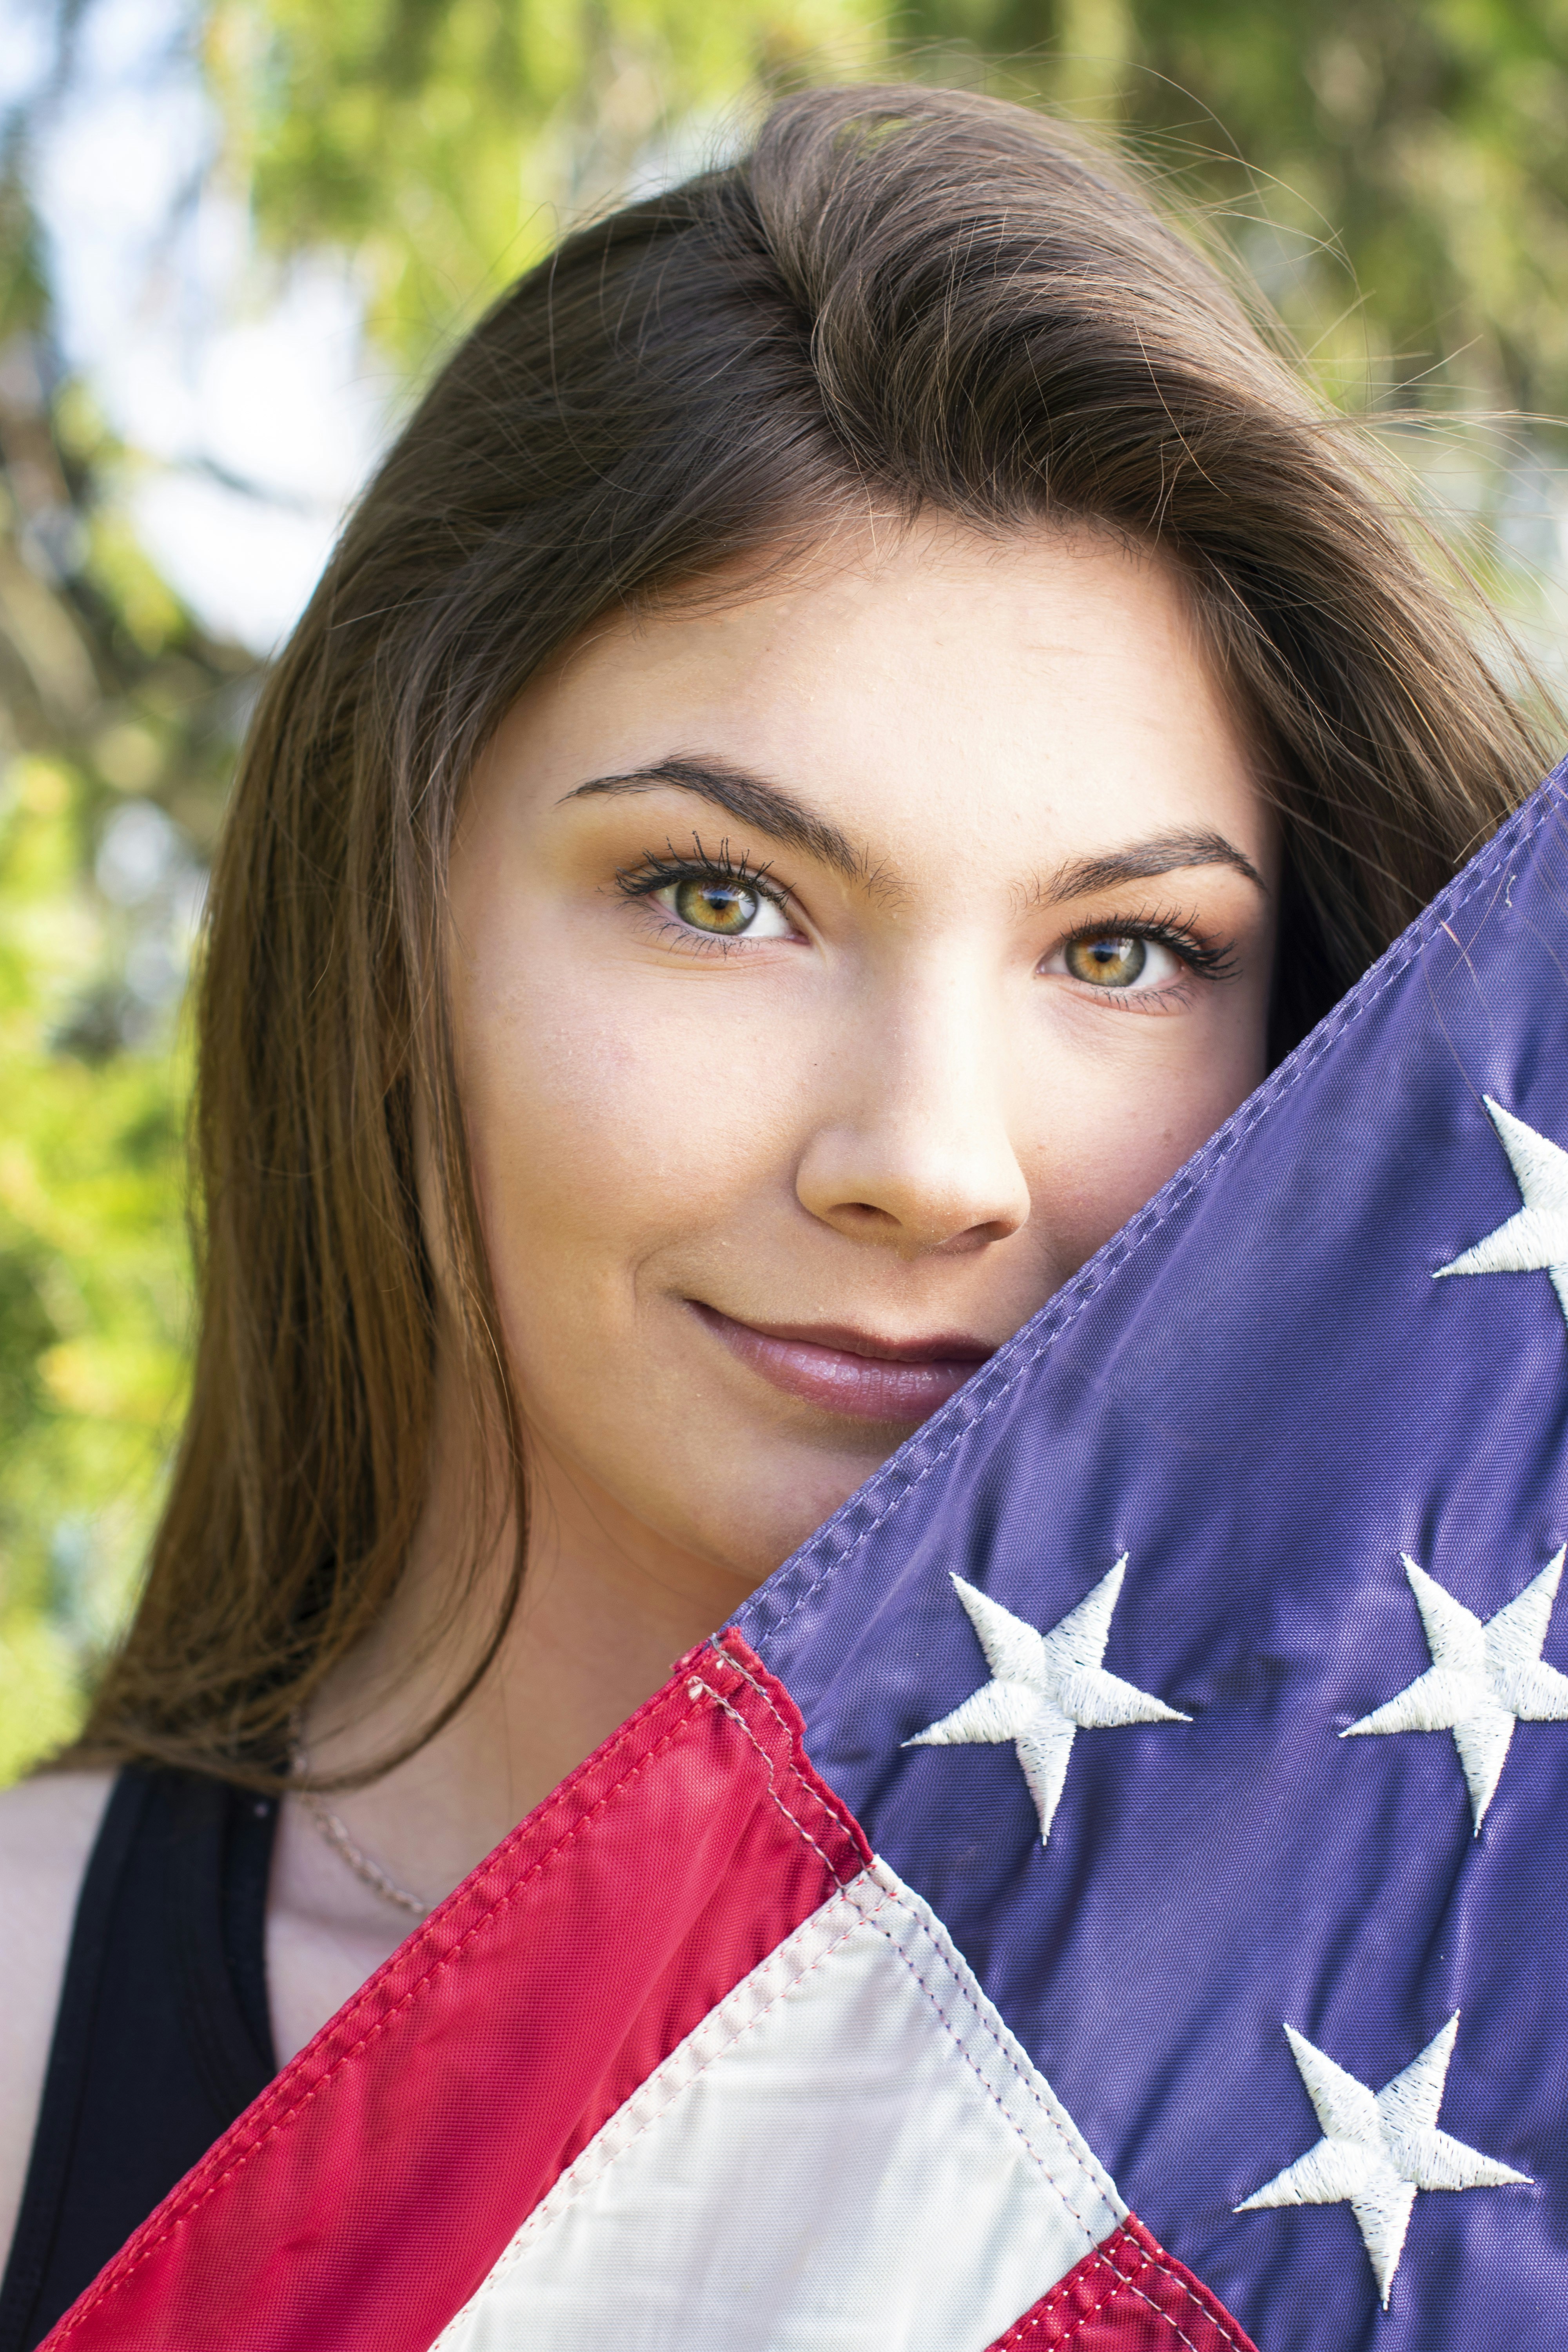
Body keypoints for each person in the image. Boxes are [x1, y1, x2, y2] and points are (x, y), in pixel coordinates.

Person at [0, 80, 1551, 2347]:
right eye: (719, 897)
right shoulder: (28, 2024)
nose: (930, 1158)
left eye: (1121, 953)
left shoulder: (1464, 2070)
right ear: (380, 931)